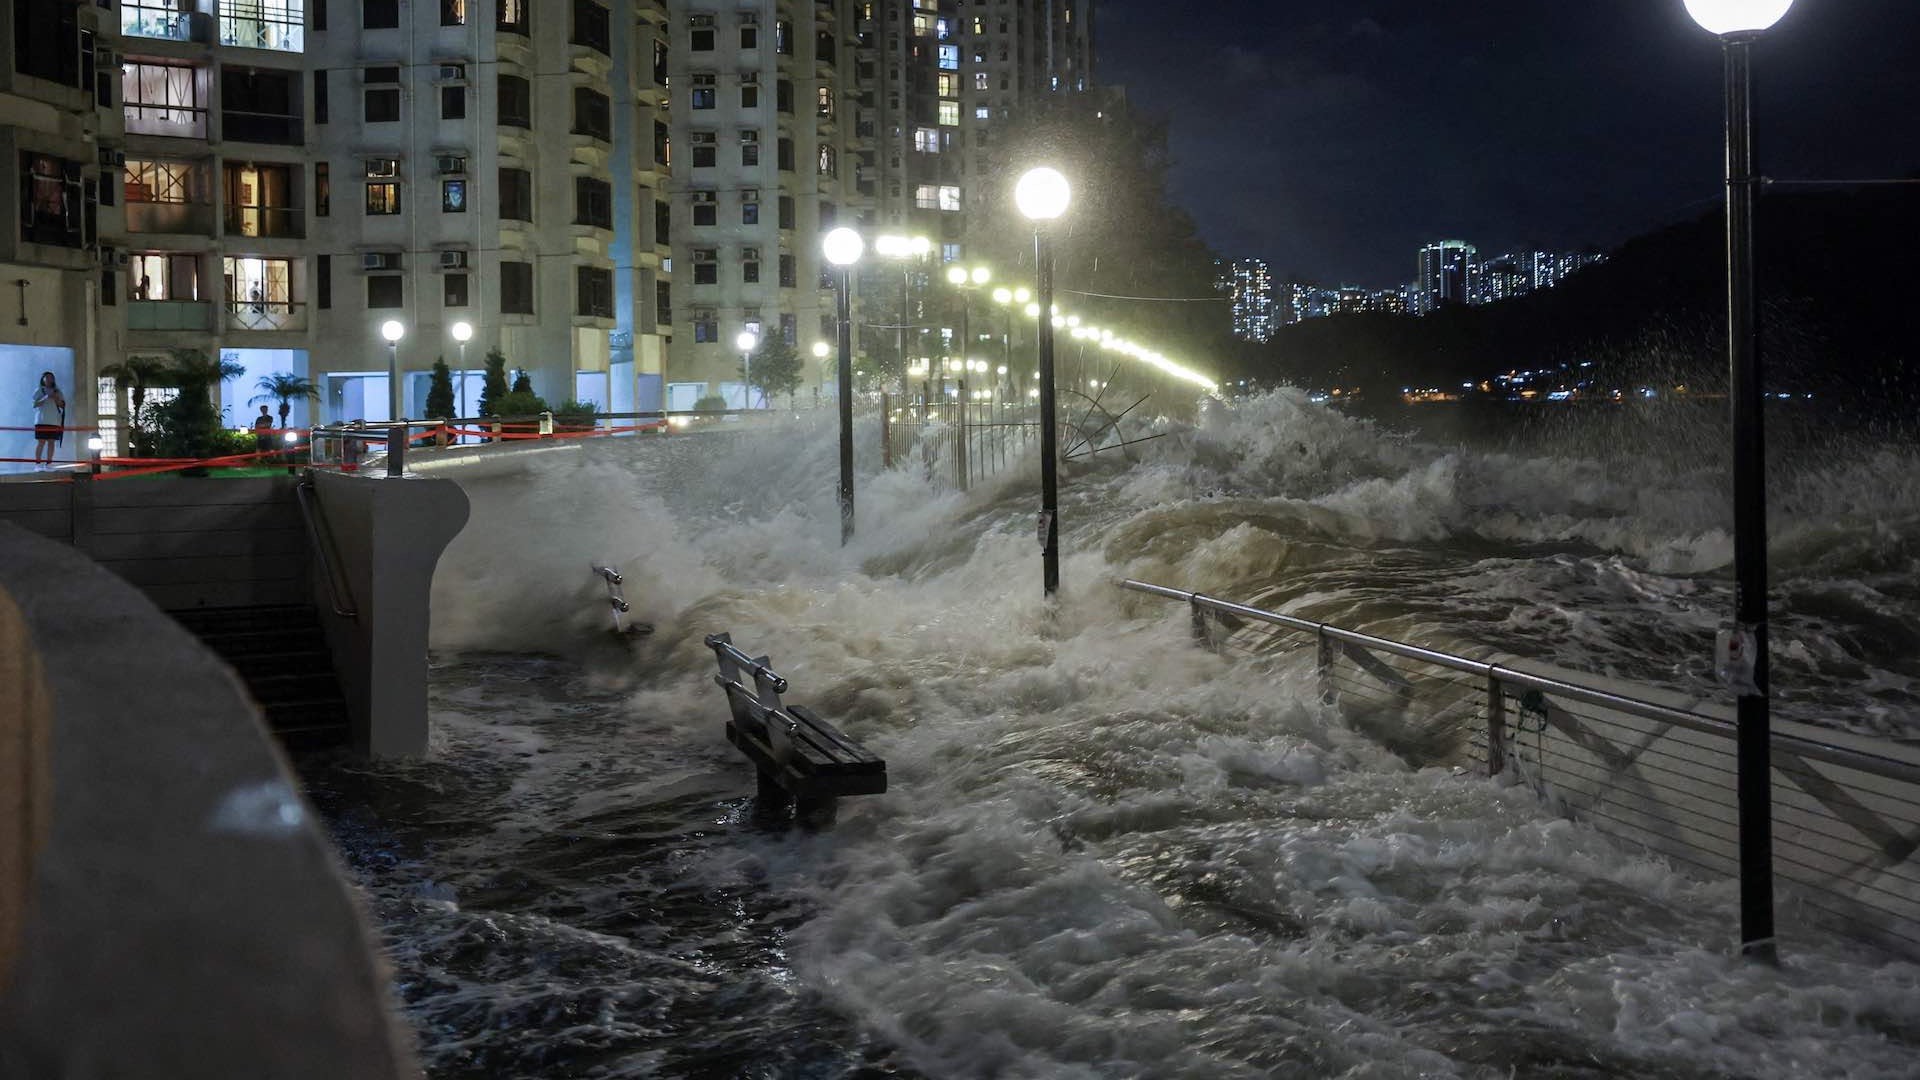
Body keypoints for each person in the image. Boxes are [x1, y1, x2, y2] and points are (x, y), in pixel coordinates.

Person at [31, 372, 65, 470]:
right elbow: (34, 404)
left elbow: (62, 405)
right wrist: (46, 397)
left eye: (51, 378)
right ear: (43, 379)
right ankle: (37, 464)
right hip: (41, 421)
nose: (49, 379)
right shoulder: (39, 390)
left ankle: (49, 463)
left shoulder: (58, 391)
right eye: (47, 378)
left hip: (54, 421)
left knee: (51, 442)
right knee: (41, 442)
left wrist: (55, 398)